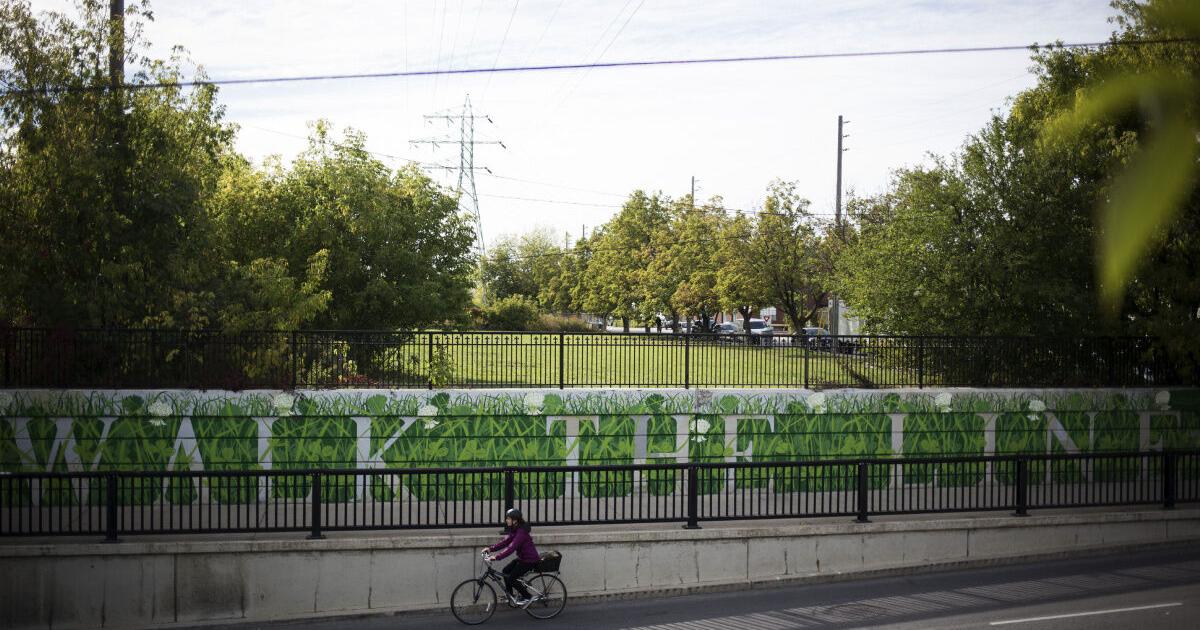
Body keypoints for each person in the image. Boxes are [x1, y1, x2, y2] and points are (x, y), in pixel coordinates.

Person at [482, 508, 540, 605]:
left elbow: (511, 547)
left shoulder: (521, 532)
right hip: (523, 558)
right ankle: (510, 596)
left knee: (511, 578)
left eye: (508, 519)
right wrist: (490, 549)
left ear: (515, 520)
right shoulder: (515, 529)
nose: (506, 520)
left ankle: (528, 597)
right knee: (505, 571)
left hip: (529, 560)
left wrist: (497, 557)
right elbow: (505, 542)